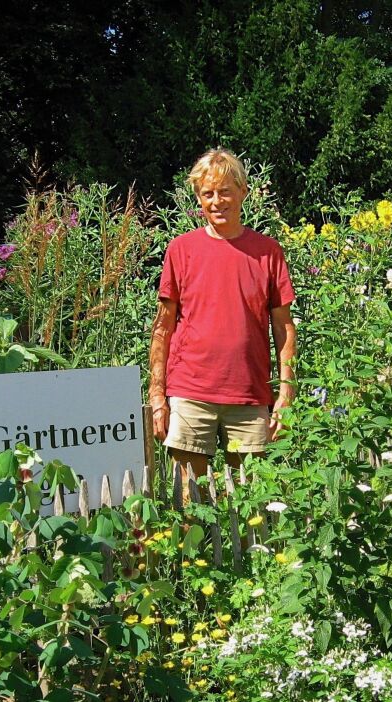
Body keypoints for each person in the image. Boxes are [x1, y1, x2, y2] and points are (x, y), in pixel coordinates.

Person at [148, 148, 297, 502]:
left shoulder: (268, 252)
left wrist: (286, 391)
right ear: (198, 198)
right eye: (207, 193)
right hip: (190, 392)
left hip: (249, 394)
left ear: (243, 191)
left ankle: (250, 561)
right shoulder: (181, 250)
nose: (217, 201)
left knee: (252, 506)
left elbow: (284, 328)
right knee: (188, 503)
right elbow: (163, 327)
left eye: (225, 191)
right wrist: (157, 395)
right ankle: (189, 560)